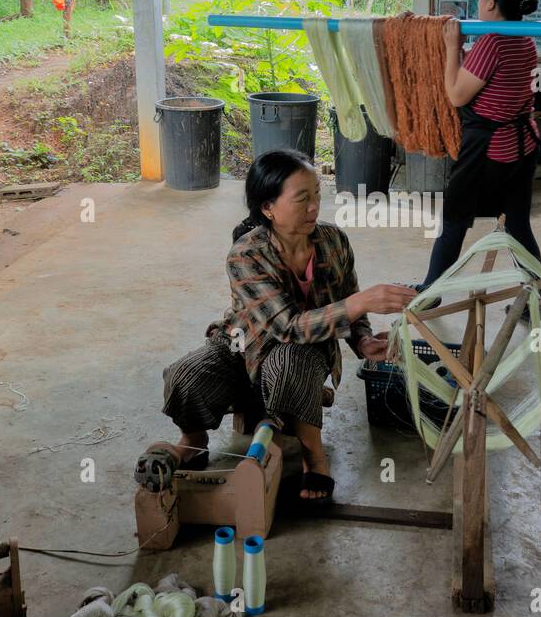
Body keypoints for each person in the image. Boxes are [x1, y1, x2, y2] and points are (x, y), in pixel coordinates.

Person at [161, 149, 417, 502]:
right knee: (185, 376)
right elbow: (288, 326)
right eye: (302, 199)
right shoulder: (246, 254)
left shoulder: (333, 241)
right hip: (242, 346)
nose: (314, 207)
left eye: (317, 196)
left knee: (289, 362)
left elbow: (346, 297)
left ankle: (314, 454)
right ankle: (193, 442)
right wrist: (361, 302)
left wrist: (364, 341)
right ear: (268, 207)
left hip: (302, 354)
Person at [418, 0, 541, 294]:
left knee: (454, 220)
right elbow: (477, 78)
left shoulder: (492, 42)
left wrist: (450, 47)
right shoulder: (525, 40)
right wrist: (459, 51)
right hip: (524, 146)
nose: (479, 2)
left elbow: (457, 95)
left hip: (490, 149)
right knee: (517, 225)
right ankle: (536, 298)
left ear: (490, 2)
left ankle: (429, 294)